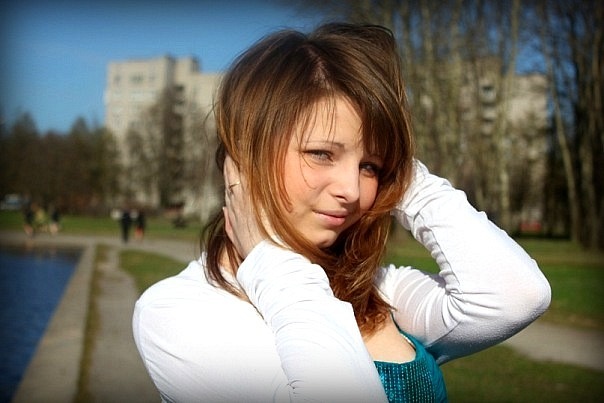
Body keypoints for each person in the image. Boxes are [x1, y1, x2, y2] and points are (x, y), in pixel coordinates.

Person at [133, 23, 551, 402]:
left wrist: (403, 177)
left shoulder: (375, 290)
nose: (352, 190)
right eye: (321, 153)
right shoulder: (177, 312)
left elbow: (515, 297)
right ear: (242, 155)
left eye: (370, 166)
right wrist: (271, 265)